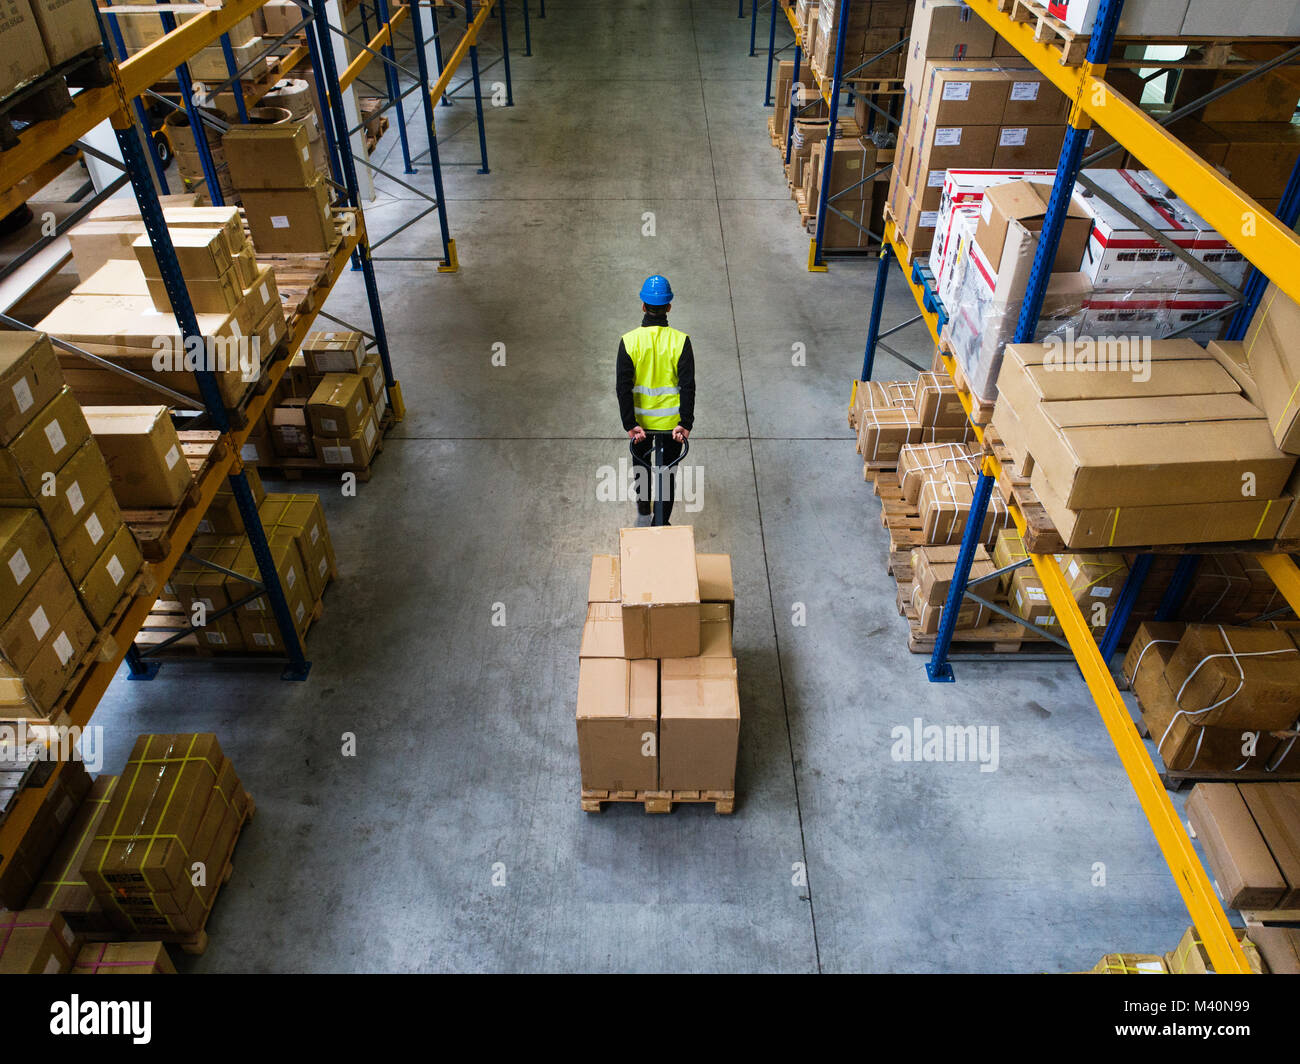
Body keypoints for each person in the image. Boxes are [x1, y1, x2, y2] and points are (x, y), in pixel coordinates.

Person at [616, 274, 695, 526]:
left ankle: (643, 509)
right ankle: (660, 522)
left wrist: (630, 424)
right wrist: (686, 422)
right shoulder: (681, 342)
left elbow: (622, 387)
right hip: (672, 427)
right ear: (669, 307)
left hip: (640, 425)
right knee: (667, 476)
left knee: (641, 467)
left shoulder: (628, 342)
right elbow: (688, 386)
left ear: (643, 305)